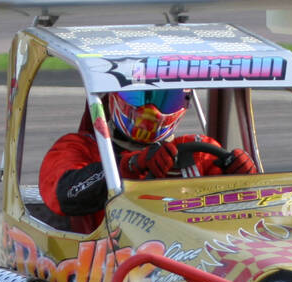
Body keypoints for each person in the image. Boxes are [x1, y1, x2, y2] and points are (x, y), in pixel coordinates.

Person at [39, 89, 257, 233]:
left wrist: (243, 181)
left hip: (190, 259)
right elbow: (66, 194)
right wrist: (131, 166)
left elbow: (236, 219)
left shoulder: (199, 151)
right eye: (138, 96)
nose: (150, 111)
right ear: (115, 97)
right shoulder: (78, 147)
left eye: (165, 100)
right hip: (107, 267)